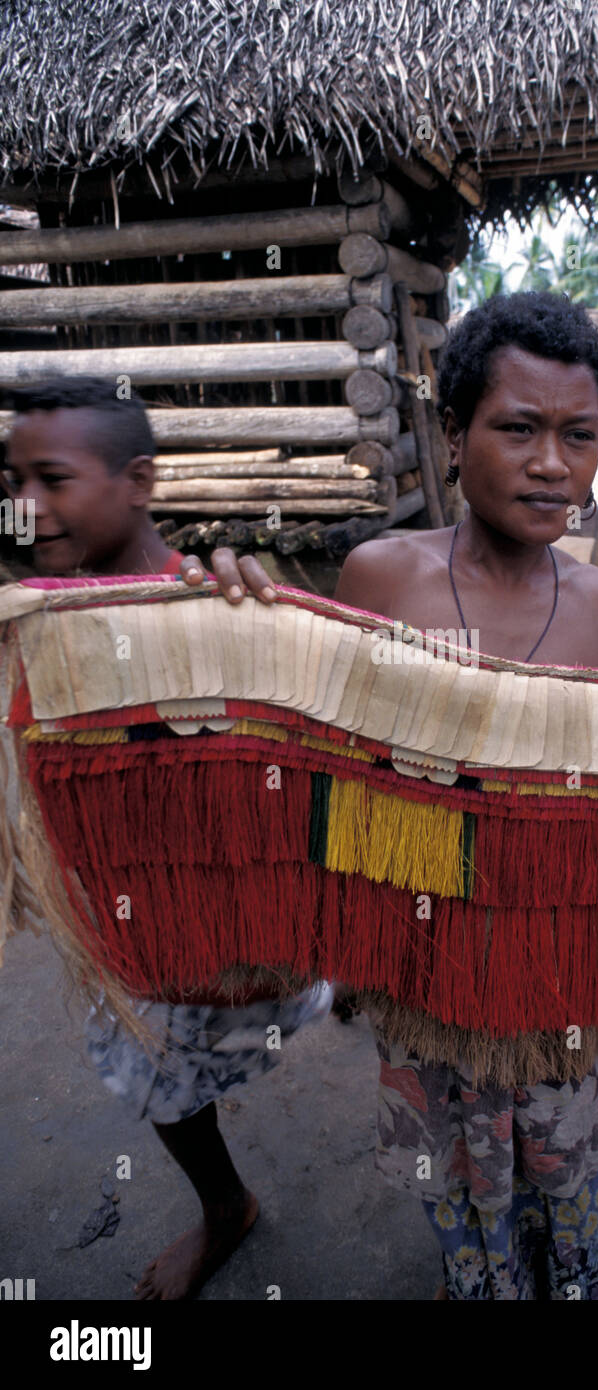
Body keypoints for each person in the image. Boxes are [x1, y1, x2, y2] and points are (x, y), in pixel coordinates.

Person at [189, 292, 598, 1299]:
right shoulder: (382, 578)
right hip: (431, 972)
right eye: (518, 428)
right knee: (469, 1188)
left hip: (564, 974)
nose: (554, 462)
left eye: (579, 435)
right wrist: (232, 628)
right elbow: (314, 765)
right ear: (453, 437)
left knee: (572, 1170)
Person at [2, 377, 332, 1300]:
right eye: (11, 478)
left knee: (311, 982)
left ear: (139, 480)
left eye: (52, 479)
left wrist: (253, 620)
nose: (25, 504)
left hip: (256, 915)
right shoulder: (35, 614)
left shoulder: (218, 606)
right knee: (155, 1084)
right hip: (129, 929)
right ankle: (226, 1205)